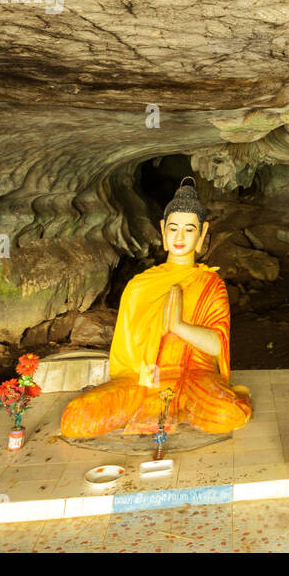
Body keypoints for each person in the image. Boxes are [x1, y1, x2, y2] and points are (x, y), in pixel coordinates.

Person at [60, 178, 252, 438]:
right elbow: (126, 351)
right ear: (163, 231)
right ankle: (165, 409)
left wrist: (179, 327)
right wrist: (147, 358)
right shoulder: (140, 284)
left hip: (194, 378)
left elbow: (218, 346)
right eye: (173, 229)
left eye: (189, 229)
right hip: (143, 379)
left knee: (230, 413)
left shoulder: (210, 283)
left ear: (202, 234)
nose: (180, 237)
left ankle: (176, 409)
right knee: (76, 418)